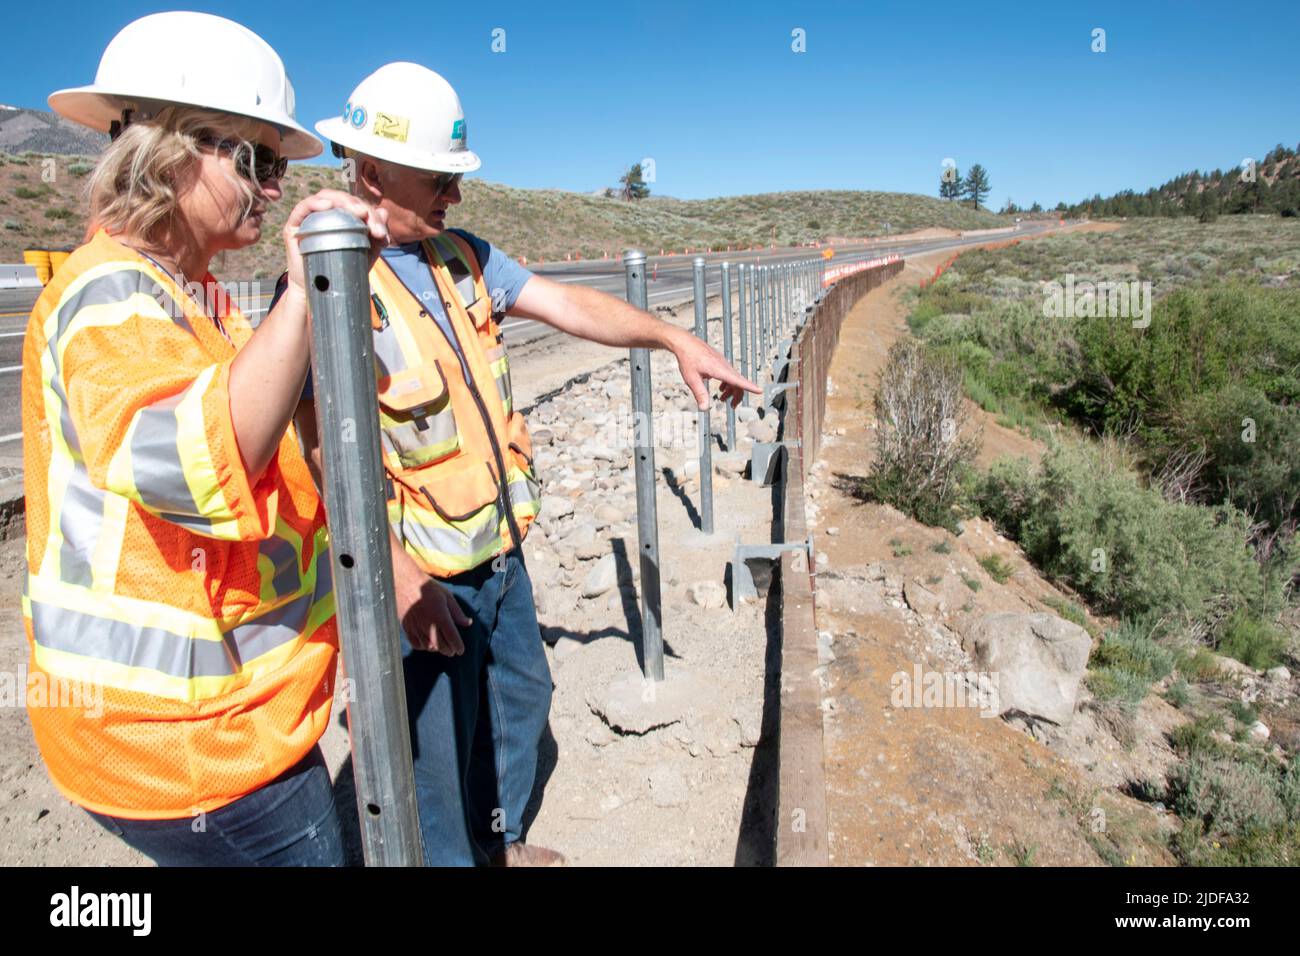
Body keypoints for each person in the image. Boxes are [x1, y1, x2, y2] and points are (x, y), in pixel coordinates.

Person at [290, 62, 758, 866]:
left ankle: (493, 845)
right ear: (371, 173)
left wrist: (675, 339)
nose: (457, 196)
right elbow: (313, 442)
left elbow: (572, 306)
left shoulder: (462, 256)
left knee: (518, 703)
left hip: (497, 553)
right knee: (428, 763)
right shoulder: (330, 280)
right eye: (440, 177)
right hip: (424, 575)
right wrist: (396, 574)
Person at [23, 11, 389, 866]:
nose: (272, 187)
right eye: (256, 160)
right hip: (187, 743)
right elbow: (190, 471)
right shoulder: (111, 295)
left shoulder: (185, 293)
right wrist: (305, 290)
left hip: (228, 718)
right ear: (169, 149)